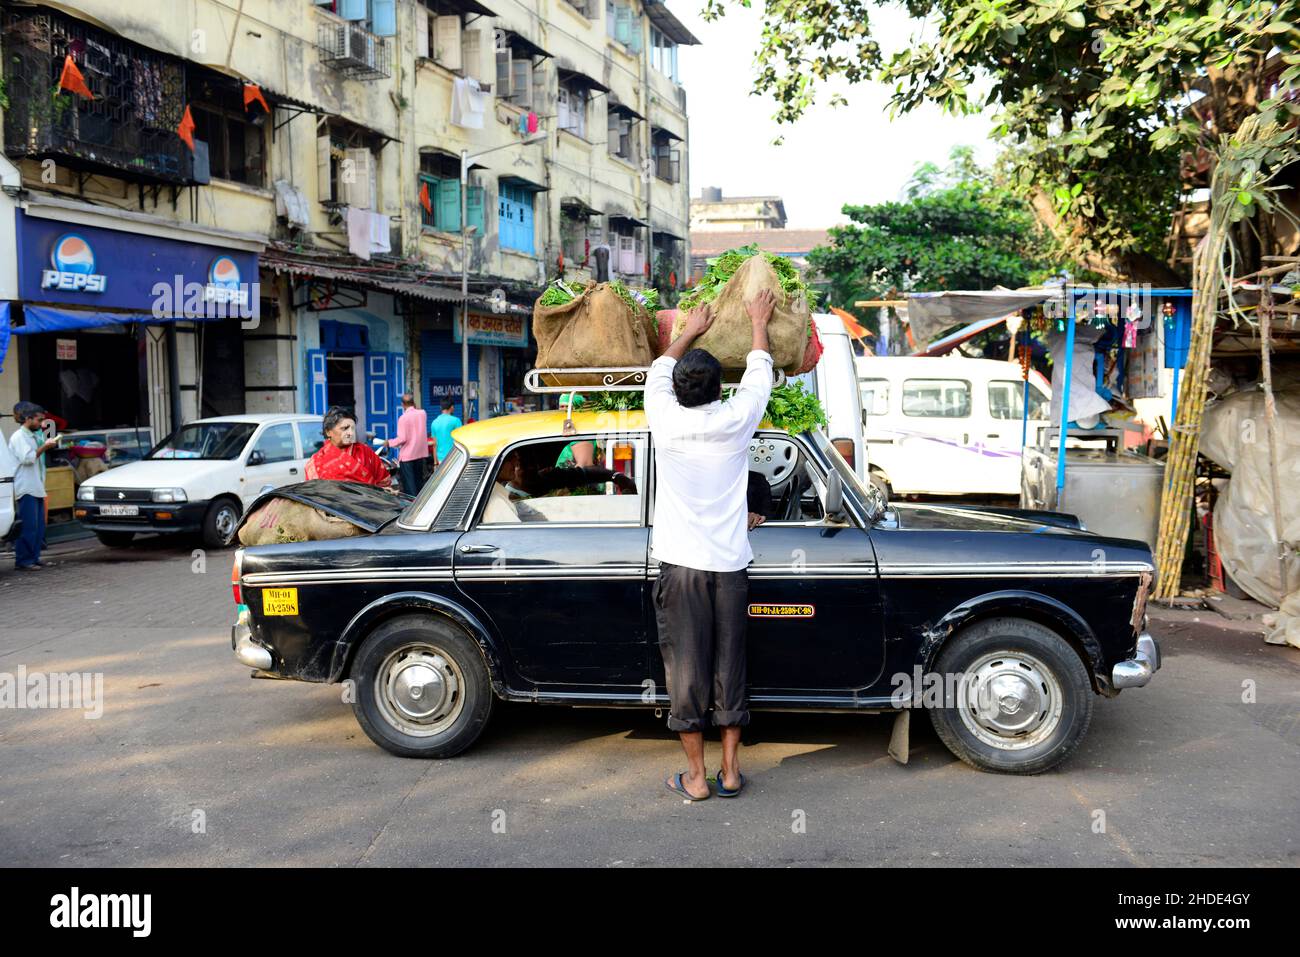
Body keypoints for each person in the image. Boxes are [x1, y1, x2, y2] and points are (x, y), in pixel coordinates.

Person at [645, 289, 776, 801]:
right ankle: (730, 772)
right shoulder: (736, 419)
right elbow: (760, 369)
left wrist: (690, 328)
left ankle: (695, 779)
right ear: (721, 388)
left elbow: (659, 368)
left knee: (687, 671)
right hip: (728, 567)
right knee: (730, 668)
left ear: (678, 390)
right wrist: (758, 320)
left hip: (681, 569)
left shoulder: (665, 418)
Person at [9, 402, 59, 570]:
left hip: (36, 485)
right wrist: (45, 446)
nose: (41, 423)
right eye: (38, 420)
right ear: (28, 419)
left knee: (38, 527)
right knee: (29, 526)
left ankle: (34, 557)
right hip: (26, 487)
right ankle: (24, 561)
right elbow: (28, 459)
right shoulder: (19, 436)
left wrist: (47, 440)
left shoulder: (34, 434)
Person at [304, 407, 392, 488]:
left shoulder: (365, 452)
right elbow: (314, 492)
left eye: (353, 428)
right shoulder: (317, 461)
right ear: (328, 432)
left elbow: (383, 482)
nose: (350, 433)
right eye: (345, 428)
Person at [387, 393, 429, 496]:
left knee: (410, 488)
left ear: (402, 404)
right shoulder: (423, 413)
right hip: (420, 455)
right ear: (413, 402)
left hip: (407, 457)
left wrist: (388, 443)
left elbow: (402, 439)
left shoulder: (403, 418)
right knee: (419, 484)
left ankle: (412, 508)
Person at [430, 400, 462, 465]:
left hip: (440, 459)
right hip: (454, 457)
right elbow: (461, 441)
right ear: (452, 407)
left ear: (440, 408)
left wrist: (435, 463)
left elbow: (434, 444)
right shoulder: (456, 420)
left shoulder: (434, 422)